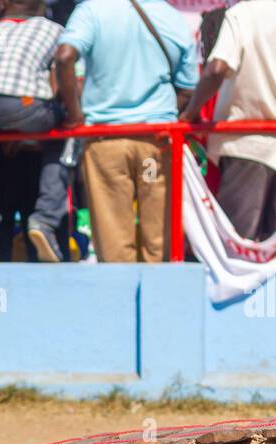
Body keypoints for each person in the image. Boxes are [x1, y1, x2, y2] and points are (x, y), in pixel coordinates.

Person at [58, 0, 197, 263]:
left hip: (105, 144)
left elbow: (65, 56)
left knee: (113, 244)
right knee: (159, 236)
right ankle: (158, 297)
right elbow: (189, 87)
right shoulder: (171, 17)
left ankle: (120, 298)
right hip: (154, 146)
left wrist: (76, 117)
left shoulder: (92, 11)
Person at [178, 0, 276, 243]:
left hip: (247, 145)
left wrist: (188, 114)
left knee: (237, 250)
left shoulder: (243, 14)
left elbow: (217, 68)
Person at [0, 0, 66, 262]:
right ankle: (45, 221)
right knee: (64, 136)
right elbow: (58, 79)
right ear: (41, 8)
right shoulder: (55, 30)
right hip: (22, 105)